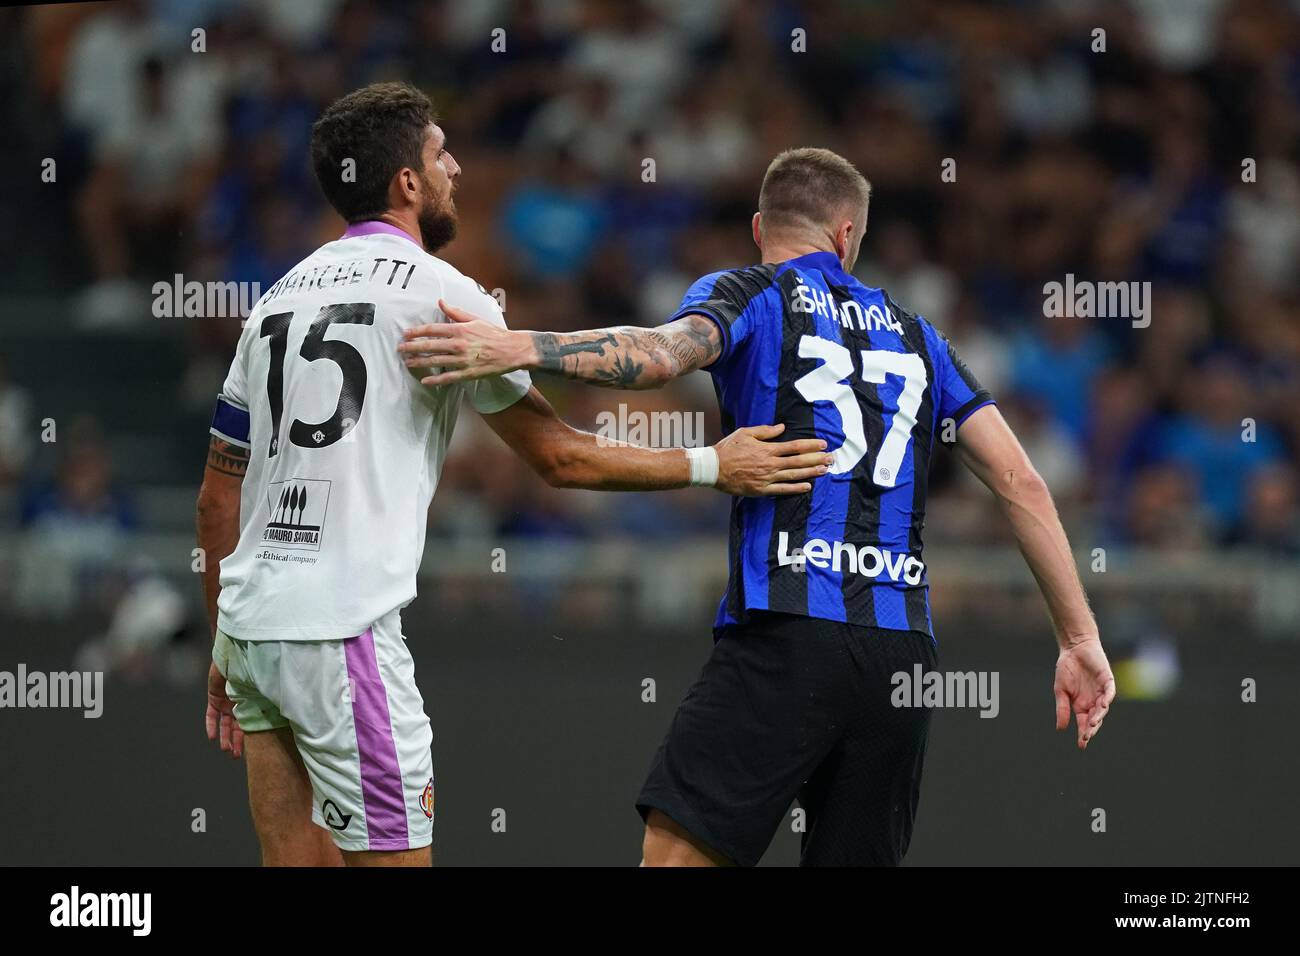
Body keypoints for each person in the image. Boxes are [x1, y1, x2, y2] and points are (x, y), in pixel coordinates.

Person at [399, 147, 1116, 867]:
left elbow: (657, 355)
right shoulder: (919, 335)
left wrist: (515, 345)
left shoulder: (751, 291)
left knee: (678, 859)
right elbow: (1020, 480)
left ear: (758, 227)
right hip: (902, 656)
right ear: (847, 237)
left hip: (788, 632)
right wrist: (1079, 638)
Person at [196, 84, 831, 868]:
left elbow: (215, 501)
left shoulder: (273, 305)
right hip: (341, 628)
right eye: (439, 154)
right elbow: (559, 455)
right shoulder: (442, 295)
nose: (456, 167)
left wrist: (223, 648)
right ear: (406, 183)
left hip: (254, 628)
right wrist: (710, 463)